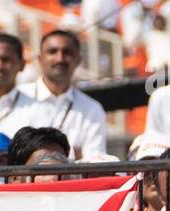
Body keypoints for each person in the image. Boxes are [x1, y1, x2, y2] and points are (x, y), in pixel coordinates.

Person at [18, 30, 107, 159]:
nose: (60, 58)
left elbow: (93, 163)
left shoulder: (92, 109)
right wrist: (72, 154)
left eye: (67, 53)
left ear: (78, 60)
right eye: (52, 51)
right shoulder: (19, 97)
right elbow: (14, 153)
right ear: (40, 59)